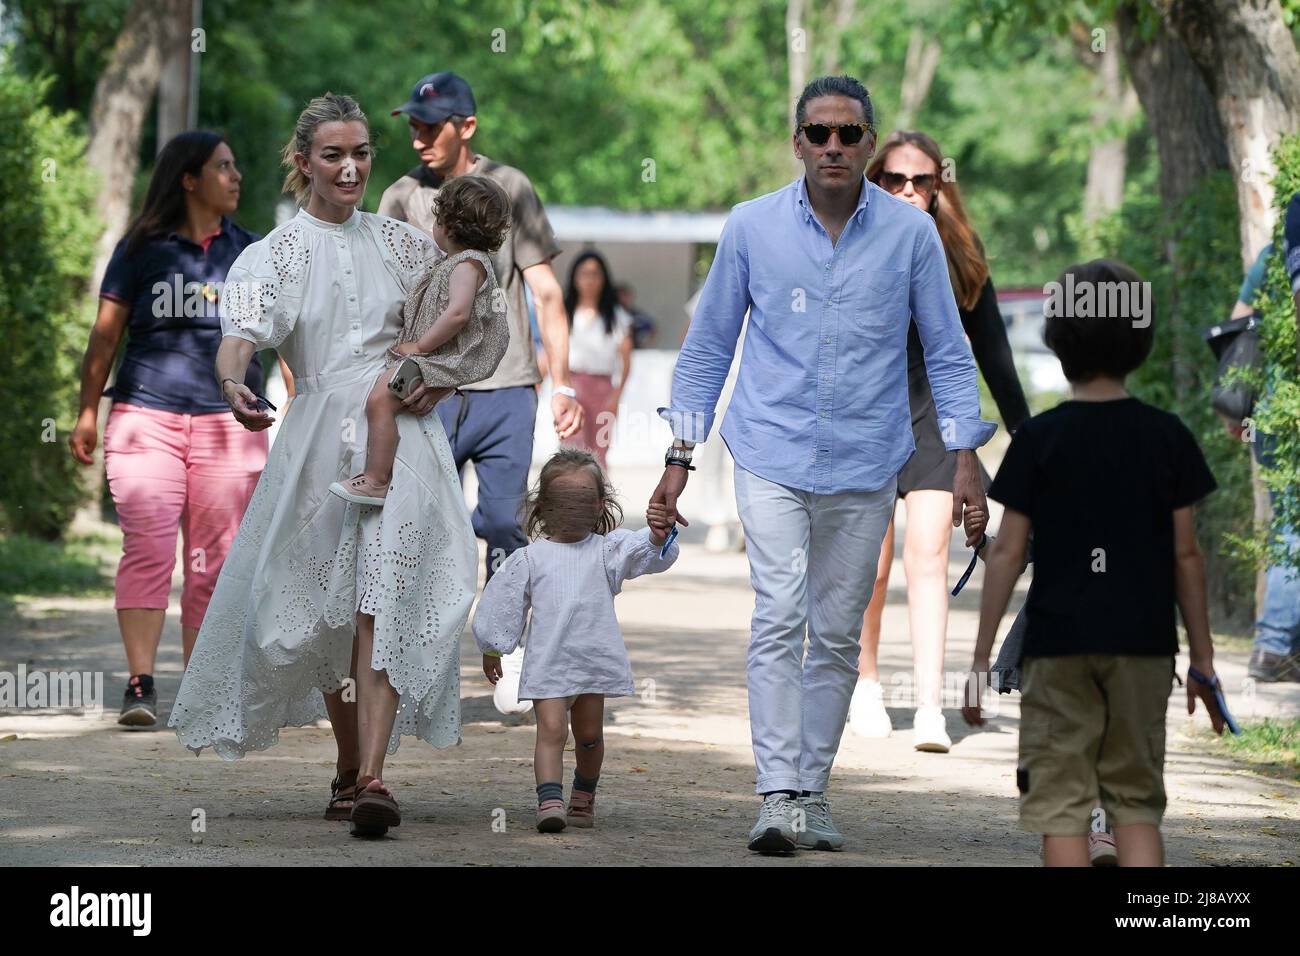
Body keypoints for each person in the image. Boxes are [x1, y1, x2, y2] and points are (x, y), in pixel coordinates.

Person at [651, 75, 994, 854]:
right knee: (779, 614)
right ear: (797, 141)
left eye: (848, 134)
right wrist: (679, 458)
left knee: (837, 633)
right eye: (819, 133)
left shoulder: (910, 238)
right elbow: (708, 349)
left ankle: (811, 790)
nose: (833, 146)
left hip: (870, 458)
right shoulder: (751, 227)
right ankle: (776, 793)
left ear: (869, 145)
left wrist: (966, 457)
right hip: (768, 449)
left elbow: (947, 351)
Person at [169, 93, 477, 838]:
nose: (351, 167)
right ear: (303, 161)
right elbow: (240, 334)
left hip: (402, 442)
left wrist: (439, 377)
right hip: (316, 451)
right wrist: (232, 380)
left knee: (381, 599)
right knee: (331, 611)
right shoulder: (271, 255)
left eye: (362, 152)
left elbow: (463, 323)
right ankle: (350, 764)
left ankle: (371, 776)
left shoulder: (408, 246)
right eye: (334, 154)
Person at [962, 258, 1226, 867]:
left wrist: (980, 659)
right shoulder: (1169, 438)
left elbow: (1004, 555)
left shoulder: (1038, 441)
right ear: (1142, 340)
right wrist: (1204, 660)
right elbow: (1187, 555)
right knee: (1134, 806)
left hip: (1056, 652)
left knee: (1063, 811)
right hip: (1143, 648)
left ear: (1055, 341)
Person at [379, 71, 583, 717]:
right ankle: (411, 662)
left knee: (501, 523)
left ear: (466, 126)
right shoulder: (399, 198)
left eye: (429, 126)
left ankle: (504, 652)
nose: (418, 138)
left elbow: (546, 290)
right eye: (411, 125)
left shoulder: (512, 187)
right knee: (415, 529)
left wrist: (563, 381)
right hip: (429, 394)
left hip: (505, 389)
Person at [69, 130, 287, 728]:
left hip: (230, 423)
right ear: (189, 179)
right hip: (146, 418)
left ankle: (200, 689)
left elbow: (283, 332)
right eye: (223, 166)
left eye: (236, 165)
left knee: (211, 561)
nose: (236, 175)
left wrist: (299, 400)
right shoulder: (141, 248)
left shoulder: (251, 252)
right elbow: (105, 335)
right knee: (147, 546)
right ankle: (140, 685)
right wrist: (88, 410)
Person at [851, 130, 1031, 751]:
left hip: (934, 420)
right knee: (870, 573)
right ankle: (867, 686)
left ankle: (930, 705)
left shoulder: (960, 252)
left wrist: (1030, 441)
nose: (908, 190)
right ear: (875, 182)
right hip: (866, 419)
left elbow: (996, 359)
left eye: (921, 180)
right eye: (894, 179)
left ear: (939, 186)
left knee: (928, 559)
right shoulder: (851, 241)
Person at [474, 449, 679, 831]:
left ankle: (584, 794)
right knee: (551, 730)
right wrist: (492, 645)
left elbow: (647, 555)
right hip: (548, 660)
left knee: (588, 738)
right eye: (562, 501)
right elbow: (503, 602)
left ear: (600, 504)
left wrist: (655, 535)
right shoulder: (530, 558)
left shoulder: (607, 552)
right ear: (543, 506)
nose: (572, 509)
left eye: (582, 500)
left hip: (592, 660)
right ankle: (550, 802)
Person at [329, 175, 511, 505]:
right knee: (384, 399)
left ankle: (376, 479)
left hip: (439, 356)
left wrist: (420, 347)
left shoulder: (467, 266)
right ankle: (378, 475)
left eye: (437, 220)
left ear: (449, 225)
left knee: (379, 401)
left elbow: (458, 314)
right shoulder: (460, 262)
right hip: (435, 358)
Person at [1223, 216, 1300, 683]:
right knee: (1292, 526)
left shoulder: (1274, 256)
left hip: (1267, 413)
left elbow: (1238, 324)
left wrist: (1235, 406)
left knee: (1287, 525)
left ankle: (1276, 644)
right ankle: (1273, 646)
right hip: (1287, 414)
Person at [562, 250, 634, 470]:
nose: (590, 279)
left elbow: (626, 357)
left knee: (600, 451)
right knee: (572, 452)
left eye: (595, 274)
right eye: (584, 273)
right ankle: (571, 500)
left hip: (603, 390)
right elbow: (552, 352)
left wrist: (616, 394)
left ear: (604, 278)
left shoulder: (616, 316)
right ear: (575, 277)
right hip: (572, 387)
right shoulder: (565, 312)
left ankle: (598, 502)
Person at [617, 282, 658, 348]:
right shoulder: (611, 316)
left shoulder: (637, 316)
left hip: (636, 351)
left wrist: (646, 343)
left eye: (625, 295)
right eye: (619, 296)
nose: (622, 299)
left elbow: (652, 328)